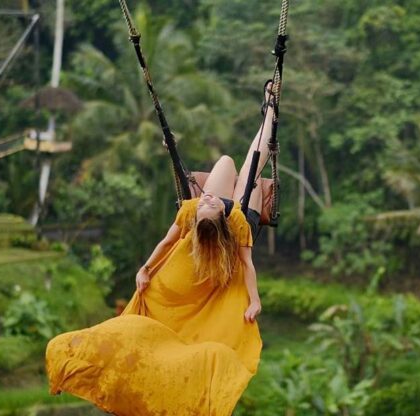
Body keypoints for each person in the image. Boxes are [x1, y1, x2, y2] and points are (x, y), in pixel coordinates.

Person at [45, 82, 276, 416]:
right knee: (242, 161)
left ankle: (268, 112)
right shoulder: (216, 216)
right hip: (239, 215)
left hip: (230, 220)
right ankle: (269, 112)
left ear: (204, 215)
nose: (206, 199)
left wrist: (146, 269)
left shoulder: (213, 216)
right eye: (206, 201)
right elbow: (194, 249)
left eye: (205, 202)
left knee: (239, 164)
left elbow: (187, 248)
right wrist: (146, 269)